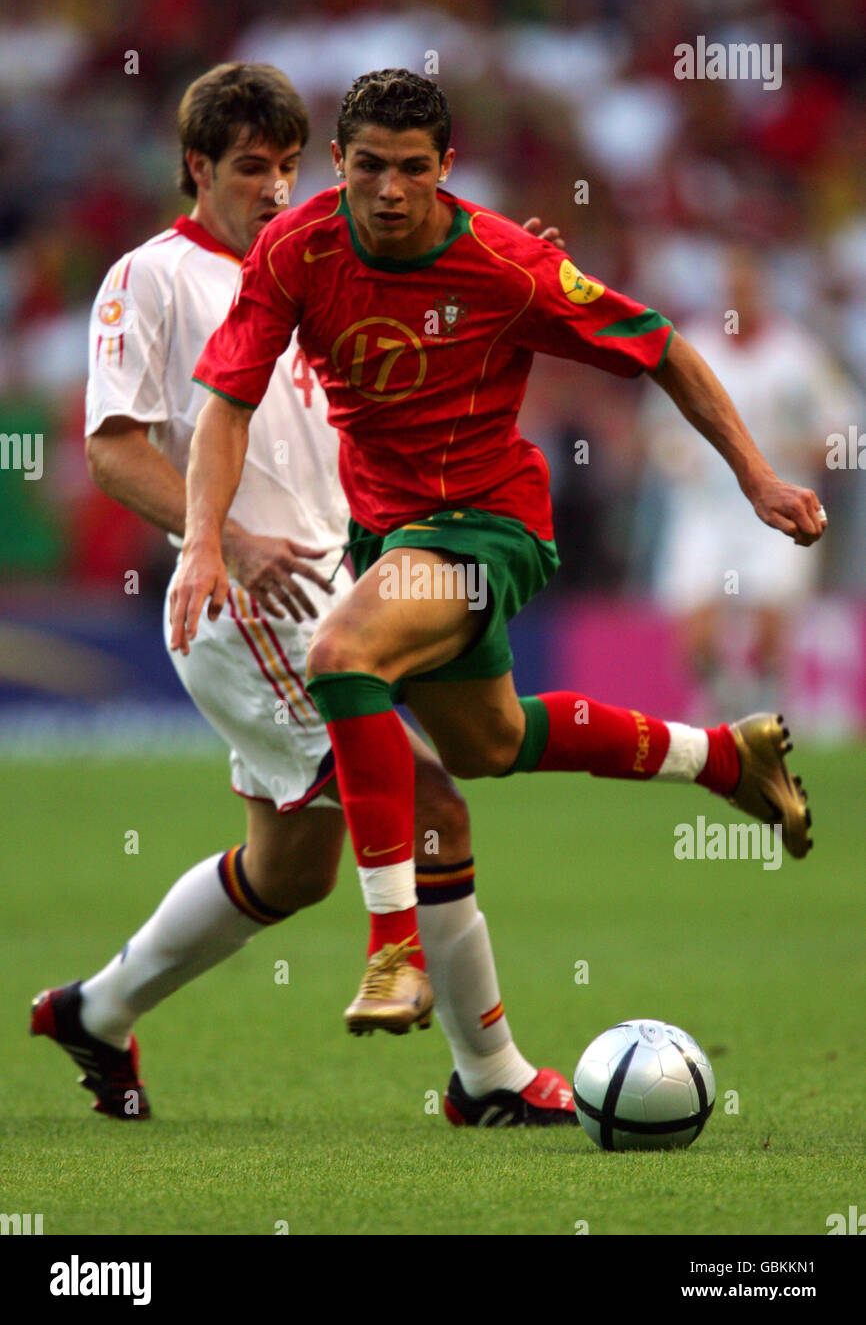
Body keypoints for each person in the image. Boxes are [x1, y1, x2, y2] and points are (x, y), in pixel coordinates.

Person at [170, 69, 824, 1037]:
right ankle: (725, 757)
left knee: (343, 656)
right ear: (337, 163)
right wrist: (198, 545)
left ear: (444, 169)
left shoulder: (507, 264)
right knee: (487, 745)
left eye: (409, 169)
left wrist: (756, 477)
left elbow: (662, 349)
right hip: (386, 528)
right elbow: (225, 404)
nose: (387, 190)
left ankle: (391, 945)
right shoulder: (294, 247)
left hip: (485, 522)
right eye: (366, 167)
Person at [30, 62, 578, 1129]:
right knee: (432, 806)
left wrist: (509, 291)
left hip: (339, 576)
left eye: (287, 166)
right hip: (248, 602)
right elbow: (112, 452)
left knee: (290, 871)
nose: (275, 188)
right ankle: (490, 1076)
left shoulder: (323, 260)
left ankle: (94, 1011)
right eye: (249, 169)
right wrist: (223, 542)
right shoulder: (151, 278)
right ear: (197, 168)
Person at [642, 242, 854, 718]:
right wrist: (674, 457)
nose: (739, 298)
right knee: (695, 635)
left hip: (778, 506)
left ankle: (764, 714)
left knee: (769, 628)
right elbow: (657, 427)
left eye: (747, 288)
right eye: (731, 289)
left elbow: (847, 428)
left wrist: (812, 452)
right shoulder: (695, 347)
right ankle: (722, 703)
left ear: (764, 291)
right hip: (705, 505)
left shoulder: (796, 355)